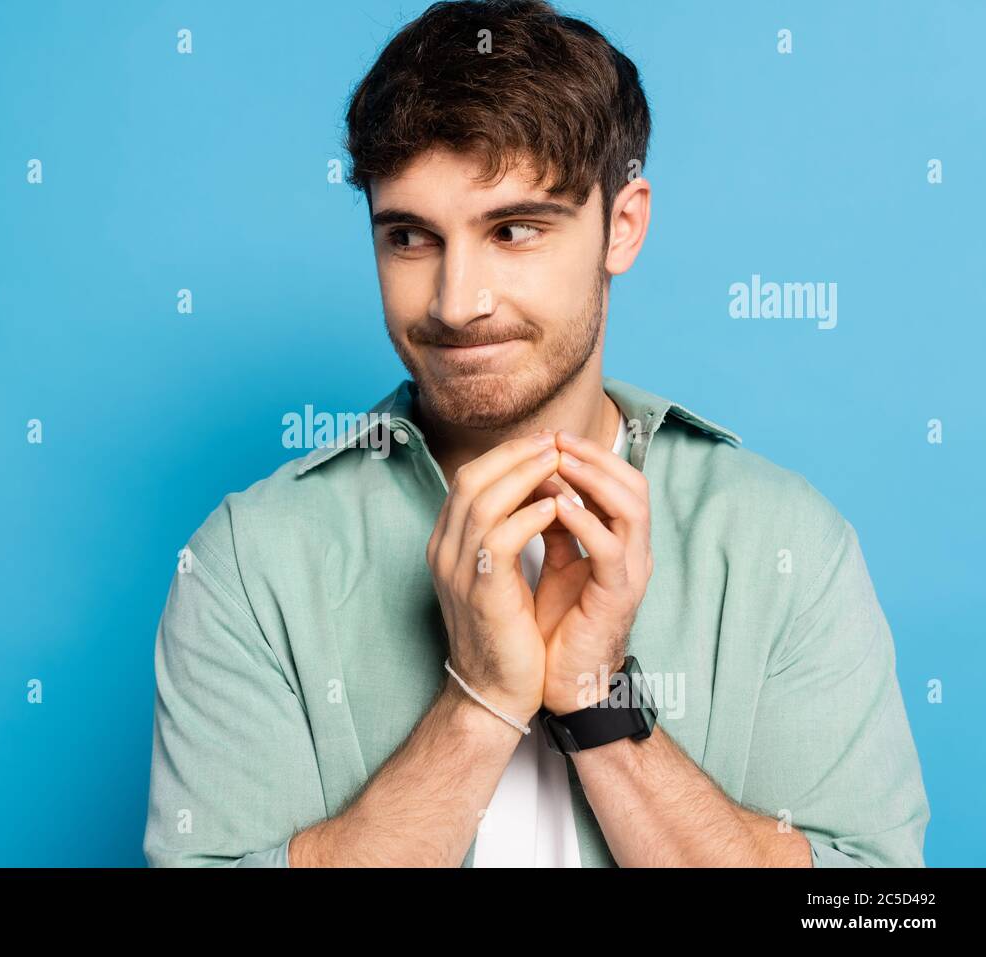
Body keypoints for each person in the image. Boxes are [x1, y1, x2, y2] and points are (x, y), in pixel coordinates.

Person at [143, 0, 930, 867]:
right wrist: (478, 702)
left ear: (621, 226)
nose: (455, 300)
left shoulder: (786, 545)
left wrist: (601, 705)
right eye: (410, 237)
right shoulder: (249, 565)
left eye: (514, 230)